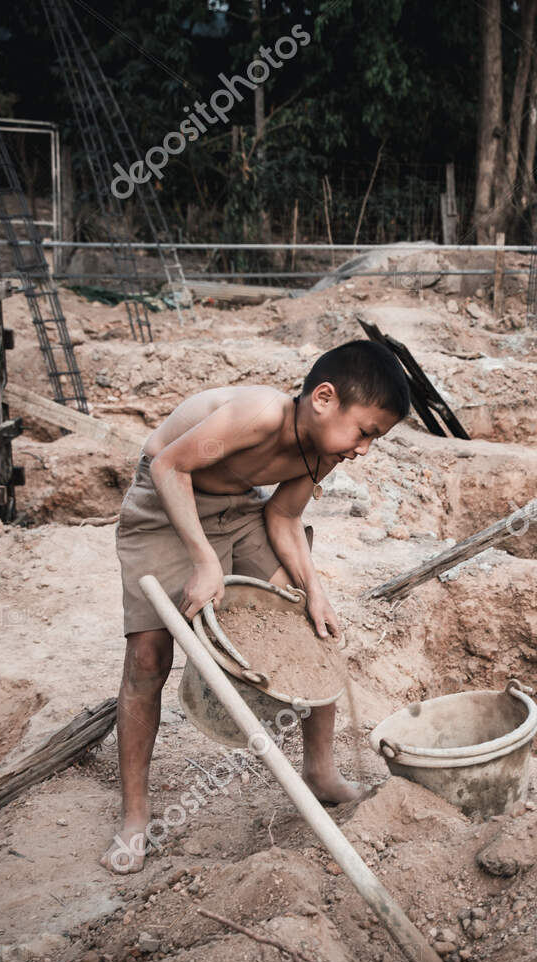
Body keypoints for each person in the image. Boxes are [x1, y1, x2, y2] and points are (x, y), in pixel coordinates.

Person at [103, 339, 411, 873]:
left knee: (309, 629)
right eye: (365, 432)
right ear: (323, 398)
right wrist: (205, 562)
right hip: (166, 501)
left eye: (374, 440)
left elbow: (284, 518)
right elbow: (169, 468)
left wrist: (314, 590)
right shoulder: (261, 413)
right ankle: (135, 814)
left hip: (239, 510)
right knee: (149, 659)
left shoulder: (324, 449)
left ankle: (321, 772)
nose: (364, 449)